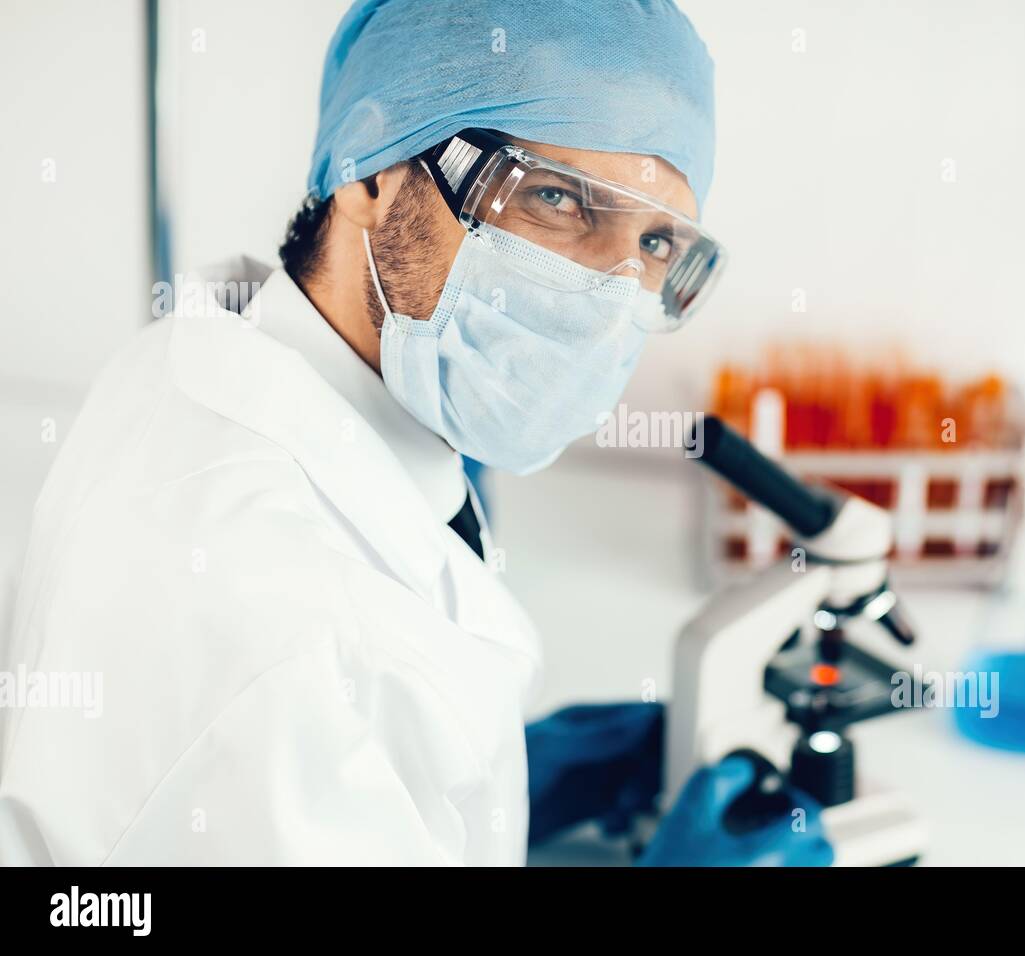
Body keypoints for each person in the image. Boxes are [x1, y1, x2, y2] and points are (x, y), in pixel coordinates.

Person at [0, 0, 831, 866]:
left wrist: (472, 787)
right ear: (373, 174)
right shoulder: (288, 647)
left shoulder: (207, 360)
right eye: (555, 199)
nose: (609, 296)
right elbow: (282, 718)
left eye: (657, 243)